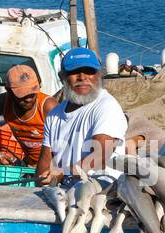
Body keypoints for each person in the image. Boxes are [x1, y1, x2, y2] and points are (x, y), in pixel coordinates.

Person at [35, 47, 128, 185]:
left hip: (102, 193)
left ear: (99, 75)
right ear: (62, 77)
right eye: (74, 72)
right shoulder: (54, 115)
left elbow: (101, 155)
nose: (82, 77)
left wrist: (63, 172)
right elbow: (43, 171)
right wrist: (46, 177)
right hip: (65, 192)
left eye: (89, 71)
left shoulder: (106, 106)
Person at [0, 64, 56, 169]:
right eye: (23, 95)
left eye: (32, 94)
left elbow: (67, 144)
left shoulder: (48, 107)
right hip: (30, 164)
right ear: (9, 91)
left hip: (54, 166)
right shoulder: (3, 103)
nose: (28, 99)